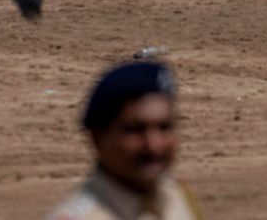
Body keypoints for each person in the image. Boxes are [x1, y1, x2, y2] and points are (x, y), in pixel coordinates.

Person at [46, 61, 202, 220]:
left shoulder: (176, 197)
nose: (154, 146)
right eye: (136, 130)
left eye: (164, 127)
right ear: (98, 137)